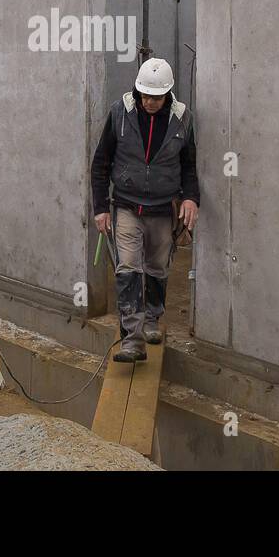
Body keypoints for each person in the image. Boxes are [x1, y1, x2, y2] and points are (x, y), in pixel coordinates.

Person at [90, 57, 199, 362]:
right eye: (146, 96)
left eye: (157, 97)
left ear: (168, 95)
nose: (151, 102)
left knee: (156, 269)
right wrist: (101, 208)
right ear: (137, 91)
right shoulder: (119, 114)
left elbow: (190, 165)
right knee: (127, 268)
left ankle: (152, 318)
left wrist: (191, 198)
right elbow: (100, 163)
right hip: (126, 205)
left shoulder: (182, 118)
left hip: (163, 210)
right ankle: (132, 339)